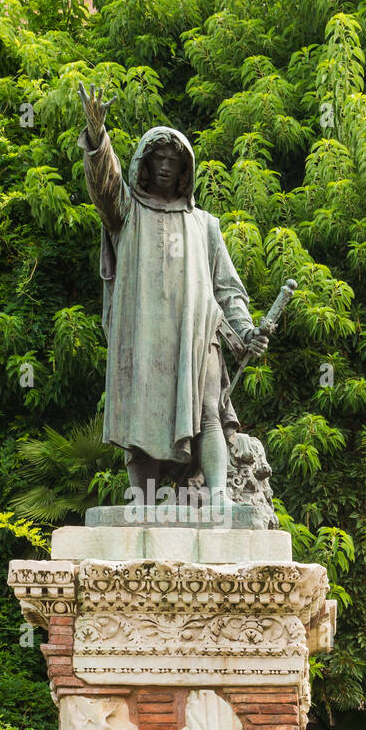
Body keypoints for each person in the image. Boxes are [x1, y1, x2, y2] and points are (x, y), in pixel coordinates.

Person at [77, 83, 268, 507]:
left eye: (173, 161)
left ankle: (219, 501)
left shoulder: (205, 224)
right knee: (139, 422)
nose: (165, 167)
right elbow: (104, 186)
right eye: (158, 159)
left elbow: (228, 289)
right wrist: (96, 138)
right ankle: (142, 505)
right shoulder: (127, 213)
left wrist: (247, 330)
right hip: (141, 333)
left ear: (185, 170)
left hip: (198, 335)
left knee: (209, 413)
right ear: (144, 165)